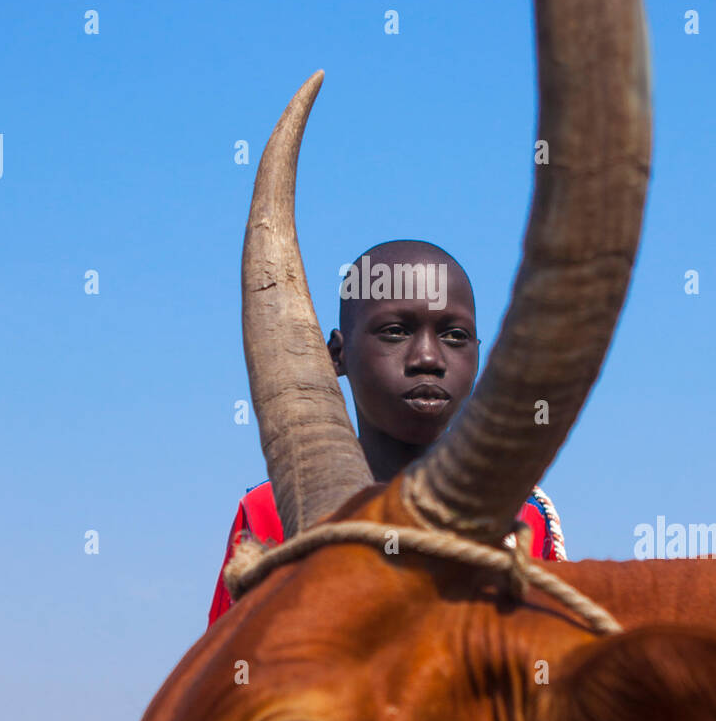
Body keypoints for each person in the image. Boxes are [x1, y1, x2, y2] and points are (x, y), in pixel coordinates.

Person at [207, 239, 565, 626]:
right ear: (337, 355)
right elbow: (230, 670)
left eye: (455, 337)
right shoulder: (273, 509)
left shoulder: (520, 517)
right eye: (395, 332)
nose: (428, 358)